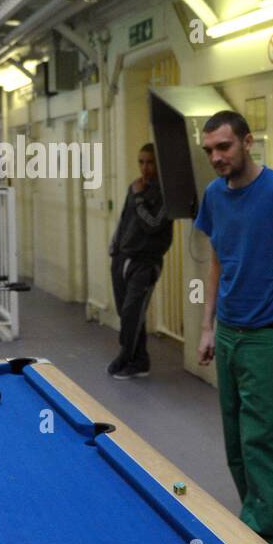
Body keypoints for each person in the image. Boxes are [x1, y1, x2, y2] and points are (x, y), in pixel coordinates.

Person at [194, 111, 273, 544]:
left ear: (247, 142)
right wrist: (207, 327)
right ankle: (260, 531)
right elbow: (217, 260)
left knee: (263, 440)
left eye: (224, 147)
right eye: (209, 151)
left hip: (269, 335)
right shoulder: (213, 195)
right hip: (228, 333)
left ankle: (262, 542)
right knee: (236, 441)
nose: (217, 157)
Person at [108, 143, 173, 380]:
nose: (145, 168)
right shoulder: (133, 187)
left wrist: (138, 198)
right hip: (123, 257)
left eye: (150, 162)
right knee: (126, 312)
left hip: (146, 261)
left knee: (132, 312)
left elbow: (153, 224)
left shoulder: (165, 193)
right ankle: (139, 359)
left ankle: (127, 355)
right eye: (141, 162)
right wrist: (115, 249)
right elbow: (125, 219)